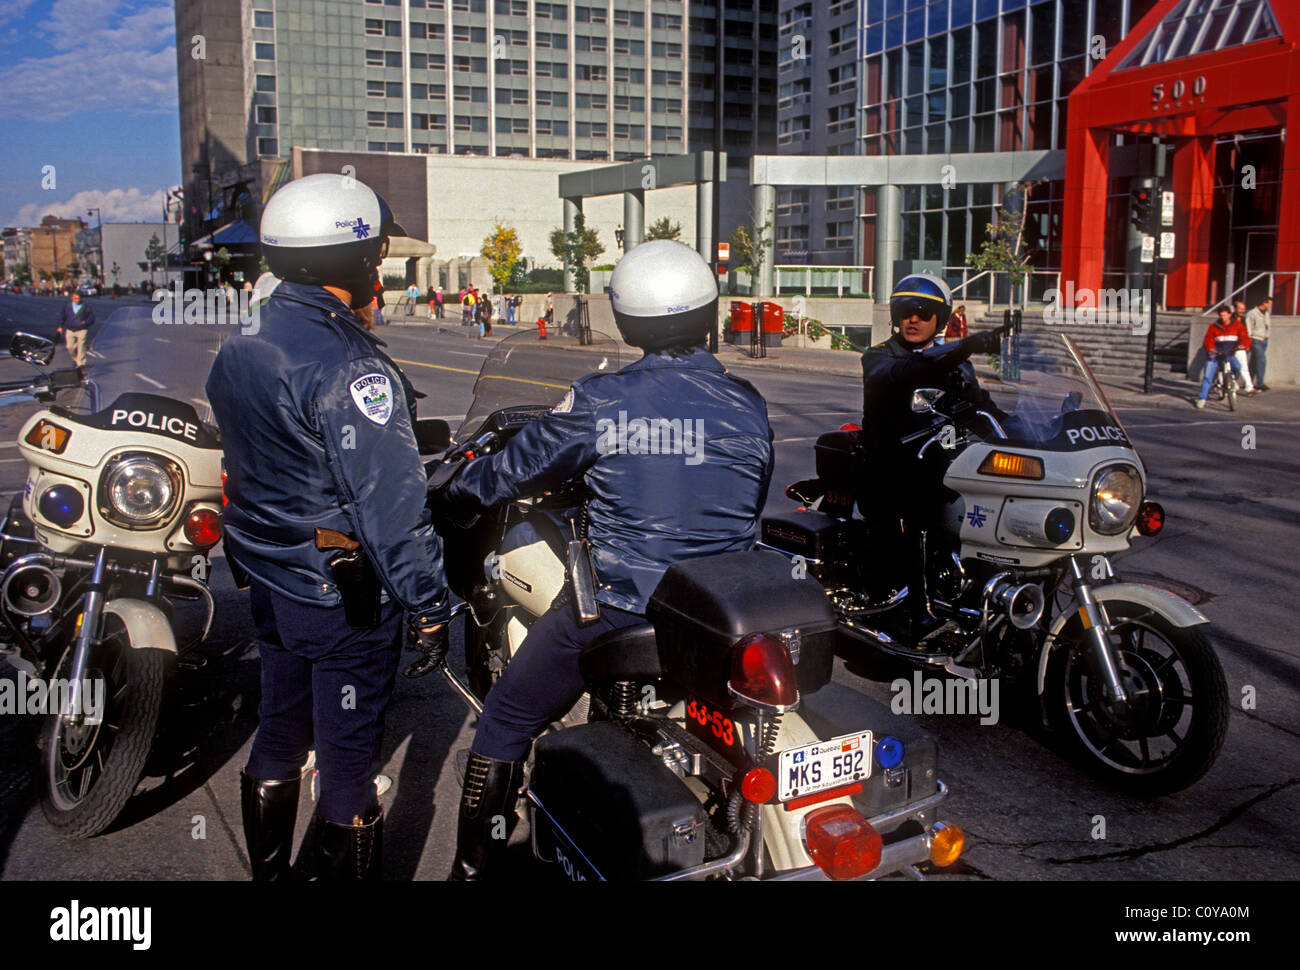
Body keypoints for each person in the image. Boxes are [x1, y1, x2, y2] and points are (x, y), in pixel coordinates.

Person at [433, 240, 774, 880]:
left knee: (506, 715)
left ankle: (471, 867)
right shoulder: (748, 402)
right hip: (718, 614)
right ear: (711, 315)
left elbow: (515, 468)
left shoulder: (602, 400)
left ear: (627, 322)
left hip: (621, 609)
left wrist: (454, 494)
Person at [205, 173, 451, 881]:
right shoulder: (350, 365)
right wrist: (430, 605)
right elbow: (392, 509)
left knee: (279, 730)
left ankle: (273, 873)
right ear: (360, 259)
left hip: (269, 576)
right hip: (341, 594)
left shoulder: (244, 337)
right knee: (348, 763)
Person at [860, 273, 1008, 638]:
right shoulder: (878, 359)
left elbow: (985, 412)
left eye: (924, 312)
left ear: (939, 319)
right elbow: (910, 371)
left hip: (943, 466)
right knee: (919, 510)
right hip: (889, 470)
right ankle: (915, 611)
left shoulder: (956, 367)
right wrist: (963, 346)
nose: (914, 318)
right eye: (906, 310)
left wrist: (1039, 432)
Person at [1195, 307, 1258, 408]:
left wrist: (1243, 346)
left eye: (1224, 315)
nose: (1223, 318)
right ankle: (1202, 398)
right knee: (1208, 376)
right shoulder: (1213, 326)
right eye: (1221, 315)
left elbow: (1245, 337)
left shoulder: (1237, 325)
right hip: (1216, 354)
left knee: (1238, 367)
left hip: (1230, 353)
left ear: (1229, 315)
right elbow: (1208, 340)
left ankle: (1233, 381)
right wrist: (1211, 350)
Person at [55, 290, 94, 367]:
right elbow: (62, 317)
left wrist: (86, 322)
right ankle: (75, 359)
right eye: (75, 298)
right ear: (72, 298)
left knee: (81, 346)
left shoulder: (85, 307)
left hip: (82, 329)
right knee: (70, 347)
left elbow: (91, 317)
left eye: (78, 298)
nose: (77, 300)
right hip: (70, 329)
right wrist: (60, 326)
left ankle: (81, 364)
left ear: (81, 298)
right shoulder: (67, 307)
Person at [1245, 295, 1272, 391]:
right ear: (1264, 303)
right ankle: (1260, 383)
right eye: (1269, 303)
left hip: (1264, 339)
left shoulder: (1266, 313)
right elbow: (1249, 327)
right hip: (1255, 339)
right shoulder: (1252, 313)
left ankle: (1250, 381)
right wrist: (1250, 339)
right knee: (1261, 359)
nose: (1270, 306)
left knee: (1254, 361)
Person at [1230, 301, 1256, 393]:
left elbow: (1246, 334)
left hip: (1240, 348)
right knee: (1228, 368)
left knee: (1244, 367)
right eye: (1240, 309)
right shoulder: (1229, 318)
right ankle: (1227, 385)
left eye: (1243, 309)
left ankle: (1249, 388)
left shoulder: (1244, 320)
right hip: (1229, 347)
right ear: (1235, 308)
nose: (1242, 311)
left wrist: (1246, 345)